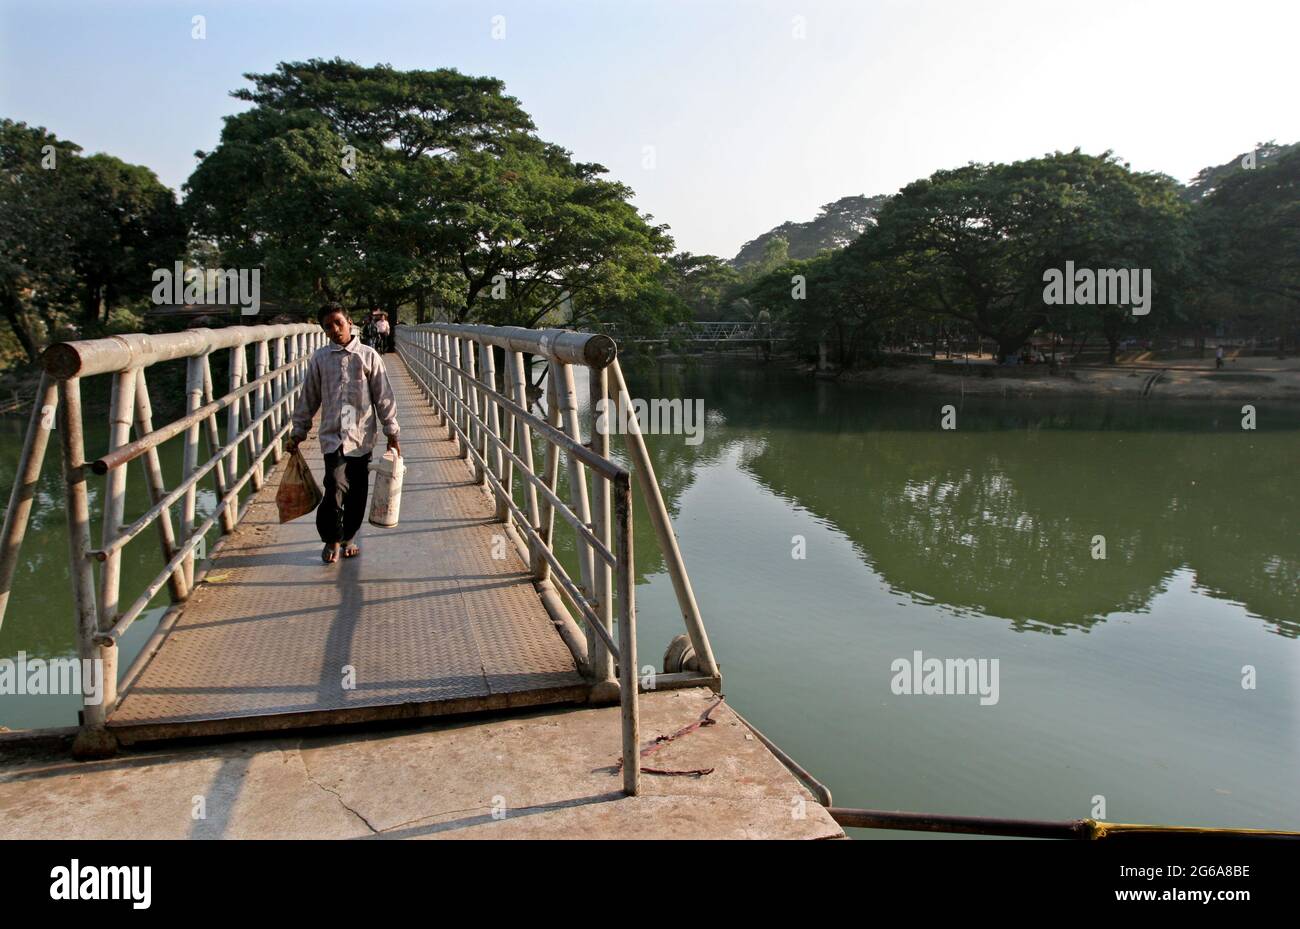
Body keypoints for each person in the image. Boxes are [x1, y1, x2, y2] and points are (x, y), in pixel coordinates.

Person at [286, 303, 401, 564]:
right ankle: (331, 538)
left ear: (349, 322)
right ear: (323, 330)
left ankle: (349, 536)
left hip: (362, 436)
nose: (335, 329)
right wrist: (299, 431)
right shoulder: (320, 359)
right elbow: (309, 397)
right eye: (328, 326)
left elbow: (383, 397)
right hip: (333, 437)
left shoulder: (369, 356)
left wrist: (392, 433)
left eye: (338, 322)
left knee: (358, 491)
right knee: (335, 485)